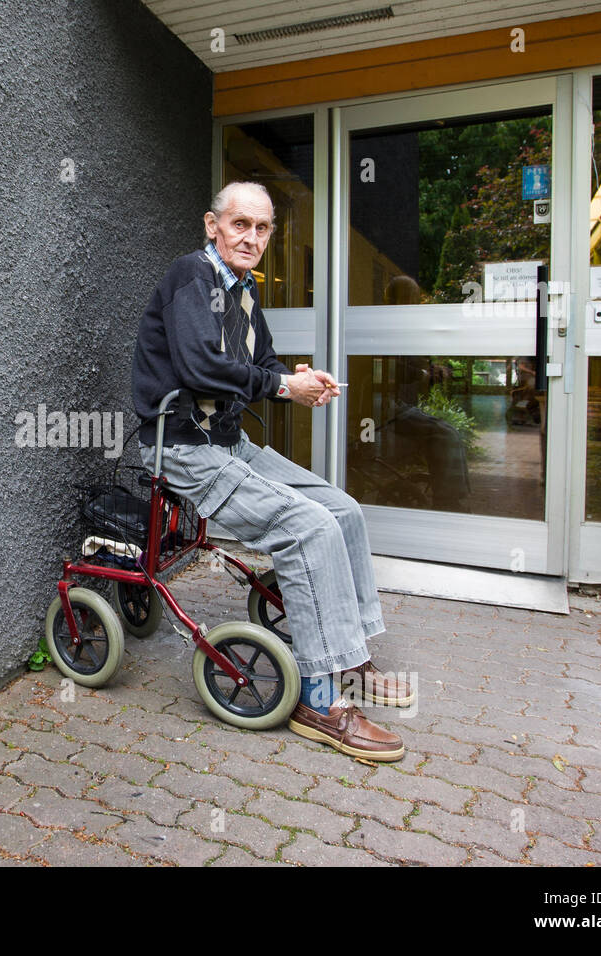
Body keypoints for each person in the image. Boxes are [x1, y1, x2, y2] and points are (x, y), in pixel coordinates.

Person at [132, 181, 413, 762]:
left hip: (229, 441)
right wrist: (282, 385)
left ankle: (351, 659)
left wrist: (297, 383)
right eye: (240, 225)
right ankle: (321, 700)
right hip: (184, 447)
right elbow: (201, 368)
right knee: (307, 528)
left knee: (343, 511)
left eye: (262, 229)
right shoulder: (193, 278)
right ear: (213, 225)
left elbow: (260, 365)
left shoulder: (243, 290)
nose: (252, 238)